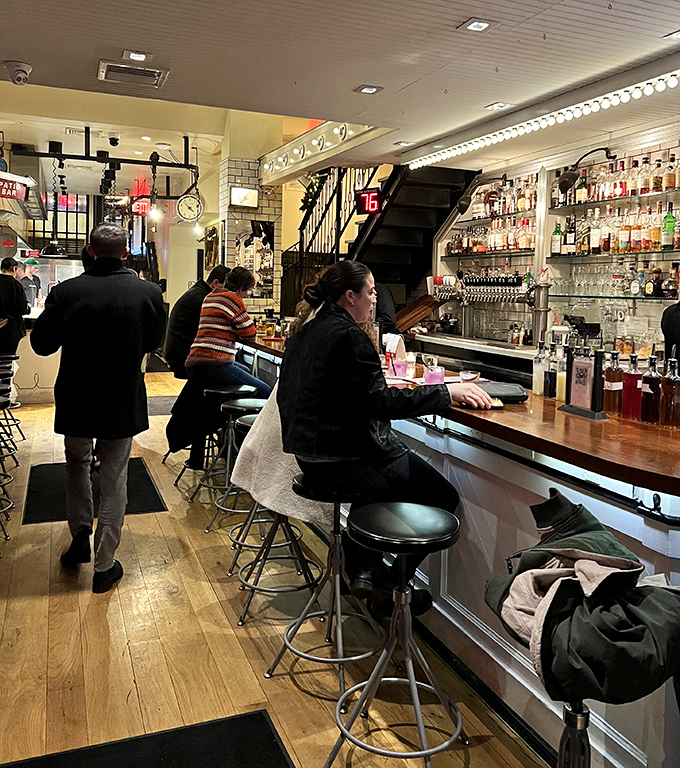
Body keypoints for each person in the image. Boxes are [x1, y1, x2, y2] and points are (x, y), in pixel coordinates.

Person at [277, 261, 493, 613]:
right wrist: (445, 393)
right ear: (351, 296)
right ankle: (389, 587)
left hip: (310, 459)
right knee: (442, 494)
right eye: (371, 291)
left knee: (379, 483)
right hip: (342, 461)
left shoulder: (306, 330)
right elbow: (380, 402)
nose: (376, 298)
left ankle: (363, 570)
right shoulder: (349, 336)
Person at [30, 223, 166, 594]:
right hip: (122, 396)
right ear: (126, 253)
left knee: (76, 465)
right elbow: (153, 342)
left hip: (77, 397)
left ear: (90, 251)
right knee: (114, 476)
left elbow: (42, 345)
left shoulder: (67, 292)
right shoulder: (149, 293)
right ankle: (104, 565)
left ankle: (79, 537)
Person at [185, 266, 271, 399]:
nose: (245, 296)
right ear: (240, 289)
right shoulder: (232, 298)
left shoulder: (210, 296)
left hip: (197, 362)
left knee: (245, 370)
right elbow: (250, 333)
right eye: (246, 291)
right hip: (214, 363)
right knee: (266, 391)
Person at [164, 265, 230, 378]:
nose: (229, 293)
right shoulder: (201, 299)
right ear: (215, 283)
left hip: (177, 353)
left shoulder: (197, 293)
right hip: (185, 357)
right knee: (239, 370)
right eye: (227, 288)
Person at [0, 257, 30, 355]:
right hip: (10, 330)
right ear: (14, 269)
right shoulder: (16, 285)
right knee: (8, 357)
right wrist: (28, 309)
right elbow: (23, 308)